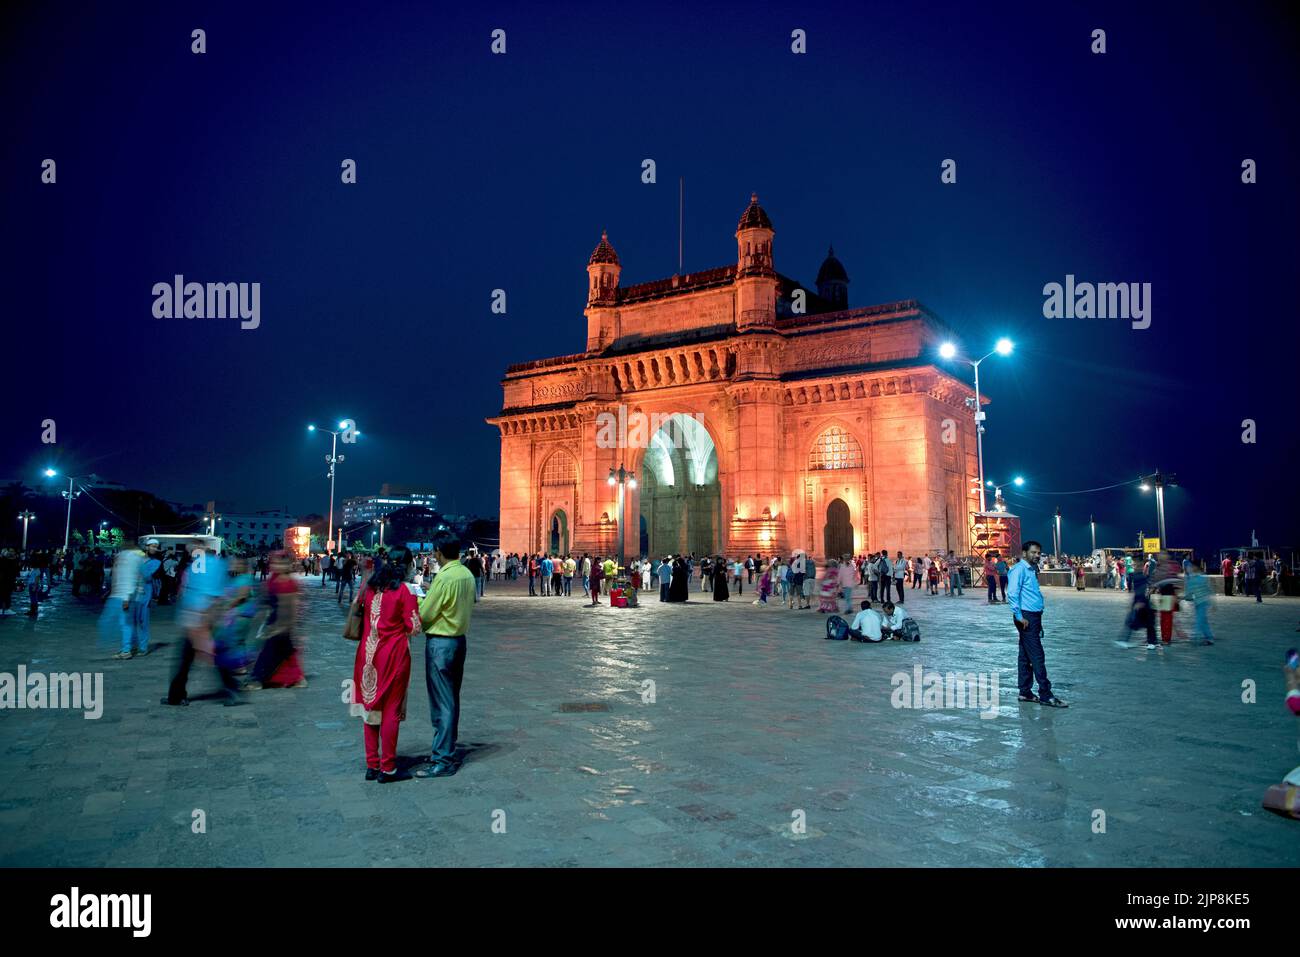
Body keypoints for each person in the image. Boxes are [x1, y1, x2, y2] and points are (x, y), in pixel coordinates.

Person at [352, 555, 420, 783]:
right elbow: (414, 627)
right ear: (408, 566)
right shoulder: (404, 591)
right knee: (391, 710)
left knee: (370, 709)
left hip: (367, 654)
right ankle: (388, 767)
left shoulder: (371, 588)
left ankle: (372, 764)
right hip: (393, 654)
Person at [415, 540, 475, 778]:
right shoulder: (466, 574)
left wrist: (418, 598)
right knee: (451, 698)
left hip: (440, 643)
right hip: (459, 641)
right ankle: (445, 750)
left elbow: (425, 613)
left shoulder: (444, 577)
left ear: (438, 552)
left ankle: (443, 759)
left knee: (442, 702)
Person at [164, 544, 239, 706]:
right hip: (196, 619)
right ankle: (176, 696)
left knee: (201, 658)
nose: (191, 550)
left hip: (203, 619)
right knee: (191, 659)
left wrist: (205, 620)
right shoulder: (198, 565)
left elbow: (215, 595)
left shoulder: (210, 565)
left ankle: (232, 689)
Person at [1007, 540, 1067, 708]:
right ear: (1024, 553)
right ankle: (1045, 694)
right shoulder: (1018, 570)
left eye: (1038, 553)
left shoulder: (1031, 569)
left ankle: (1025, 691)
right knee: (1037, 655)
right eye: (1033, 552)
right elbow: (1012, 593)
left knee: (1025, 656)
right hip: (1025, 617)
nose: (1037, 555)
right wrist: (1019, 616)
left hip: (1032, 616)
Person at [245, 551, 307, 689]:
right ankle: (297, 678)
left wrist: (279, 627)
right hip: (273, 621)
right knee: (286, 652)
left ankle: (257, 679)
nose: (277, 566)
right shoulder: (273, 579)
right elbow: (266, 600)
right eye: (275, 562)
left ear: (288, 565)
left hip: (282, 623)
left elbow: (289, 609)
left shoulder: (288, 583)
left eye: (281, 563)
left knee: (270, 651)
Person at [1182, 560, 1215, 645]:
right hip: (1200, 602)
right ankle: (1209, 638)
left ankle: (1195, 637)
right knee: (1203, 621)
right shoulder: (1201, 577)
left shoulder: (1194, 579)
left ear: (1195, 567)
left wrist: (1183, 598)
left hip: (1201, 602)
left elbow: (1189, 595)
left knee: (1199, 620)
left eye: (1191, 567)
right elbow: (1209, 590)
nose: (1189, 568)